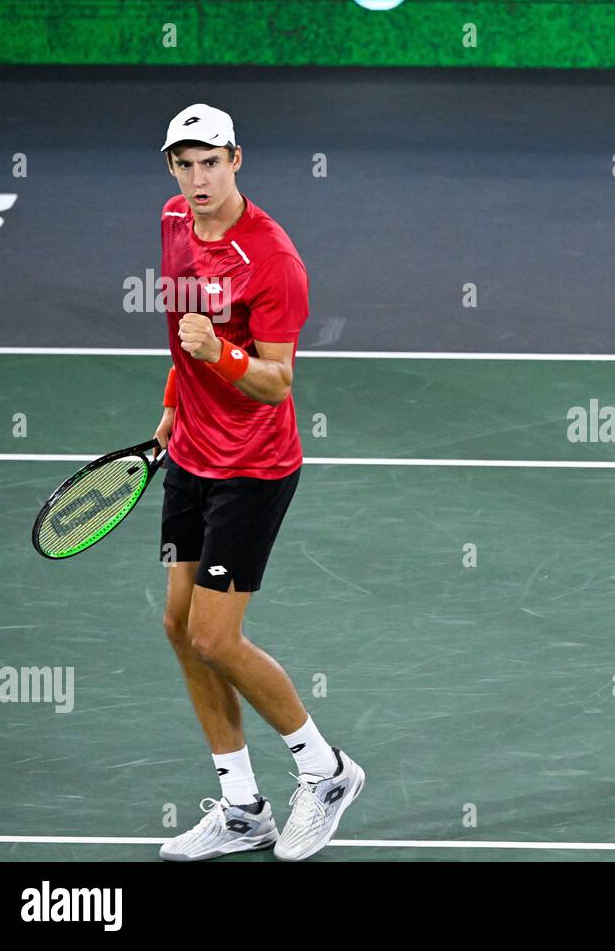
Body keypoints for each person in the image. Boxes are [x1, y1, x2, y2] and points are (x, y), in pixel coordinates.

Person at [153, 103, 364, 857]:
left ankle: (326, 769)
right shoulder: (176, 221)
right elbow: (183, 333)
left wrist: (219, 357)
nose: (198, 176)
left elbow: (276, 382)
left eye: (211, 160)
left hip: (253, 466)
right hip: (190, 458)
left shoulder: (272, 259)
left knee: (215, 635)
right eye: (186, 161)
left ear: (237, 159)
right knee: (179, 628)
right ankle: (243, 809)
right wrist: (177, 399)